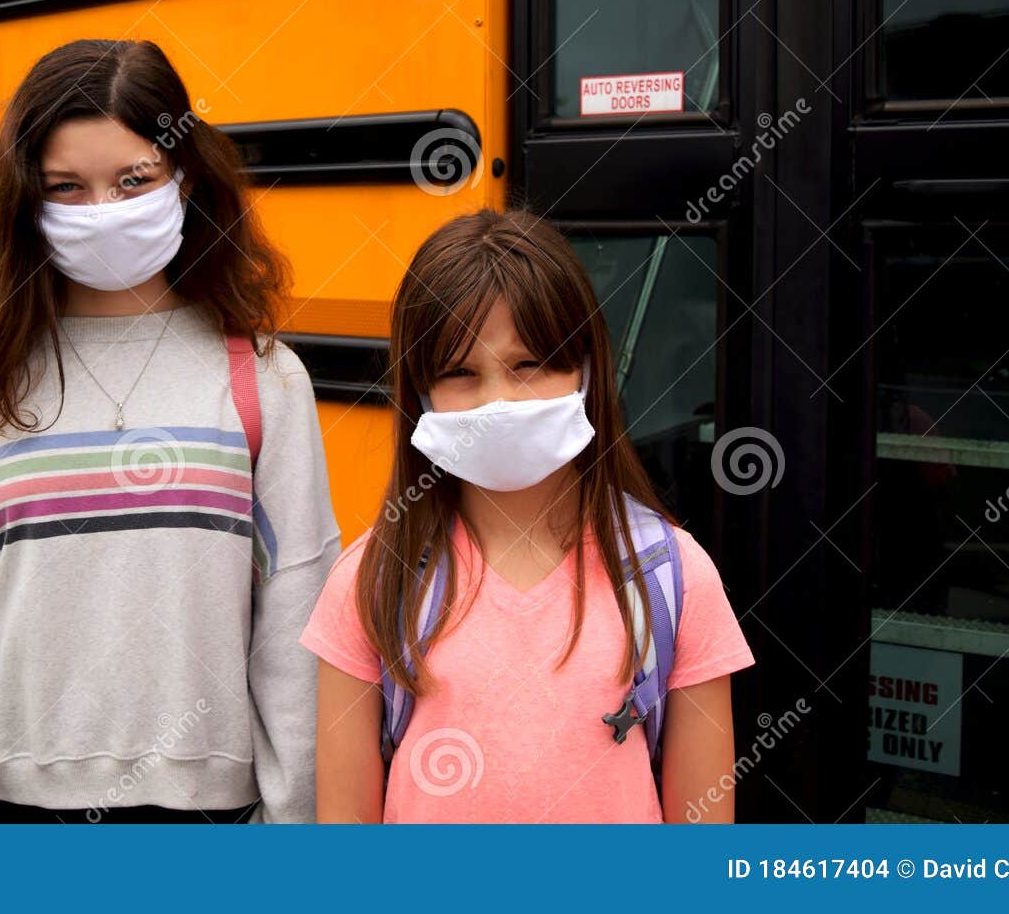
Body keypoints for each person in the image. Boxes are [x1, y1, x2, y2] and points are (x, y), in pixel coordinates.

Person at [0, 38, 339, 823]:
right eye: (67, 186)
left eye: (134, 179)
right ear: (26, 201)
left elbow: (294, 628)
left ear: (184, 176)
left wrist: (296, 828)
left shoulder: (265, 379)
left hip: (210, 824)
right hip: (21, 816)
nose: (104, 211)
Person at [302, 209, 755, 822]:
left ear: (587, 370)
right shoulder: (369, 584)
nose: (499, 400)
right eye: (460, 372)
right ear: (420, 392)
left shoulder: (673, 576)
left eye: (531, 365)